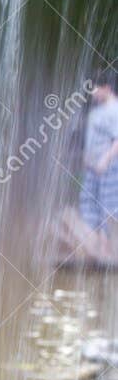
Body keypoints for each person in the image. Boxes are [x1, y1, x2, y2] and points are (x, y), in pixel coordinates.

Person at [80, 73, 118, 252]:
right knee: (88, 204)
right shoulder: (96, 111)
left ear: (107, 88)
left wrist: (105, 159)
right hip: (92, 168)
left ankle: (107, 250)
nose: (92, 92)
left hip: (109, 168)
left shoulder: (115, 110)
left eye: (95, 88)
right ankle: (94, 249)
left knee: (108, 207)